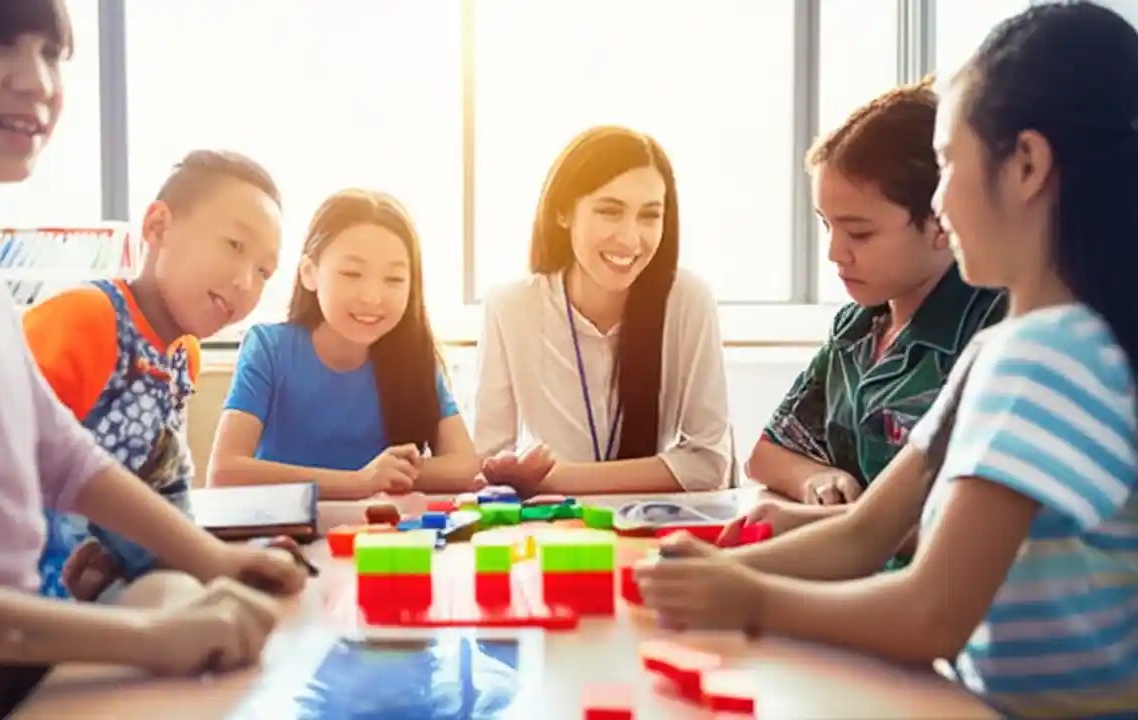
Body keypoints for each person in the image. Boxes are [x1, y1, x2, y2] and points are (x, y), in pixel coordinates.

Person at [637, 3, 1138, 717]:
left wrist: (747, 596)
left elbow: (931, 612)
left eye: (943, 166)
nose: (938, 201)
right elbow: (867, 530)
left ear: (1025, 165)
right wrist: (718, 569)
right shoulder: (1004, 350)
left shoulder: (1054, 357)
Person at [0, 2, 304, 716]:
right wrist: (148, 636)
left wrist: (212, 558)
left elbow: (60, 453)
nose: (36, 80)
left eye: (51, 52)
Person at [745, 78, 1005, 545]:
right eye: (826, 225)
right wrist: (812, 479)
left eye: (859, 234)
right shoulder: (856, 328)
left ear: (941, 221)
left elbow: (964, 529)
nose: (834, 253)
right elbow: (768, 454)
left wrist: (818, 526)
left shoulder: (991, 329)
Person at [24, 149, 283, 601]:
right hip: (30, 586)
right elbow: (4, 471)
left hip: (113, 574)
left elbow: (165, 486)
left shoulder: (184, 355)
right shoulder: (86, 317)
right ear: (159, 227)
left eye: (264, 271)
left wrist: (217, 557)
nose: (246, 282)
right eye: (234, 246)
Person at [473, 125, 734, 496]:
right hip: (555, 527)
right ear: (564, 212)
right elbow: (489, 457)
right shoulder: (510, 307)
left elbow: (709, 463)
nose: (630, 238)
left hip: (657, 526)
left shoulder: (688, 300)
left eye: (649, 216)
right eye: (610, 211)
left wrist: (554, 479)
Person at [208, 189, 481, 498]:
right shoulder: (269, 348)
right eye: (352, 274)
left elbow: (465, 467)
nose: (372, 297)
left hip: (382, 538)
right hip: (285, 537)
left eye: (393, 279)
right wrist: (360, 481)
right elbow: (225, 471)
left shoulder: (414, 358)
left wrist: (388, 475)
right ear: (310, 274)